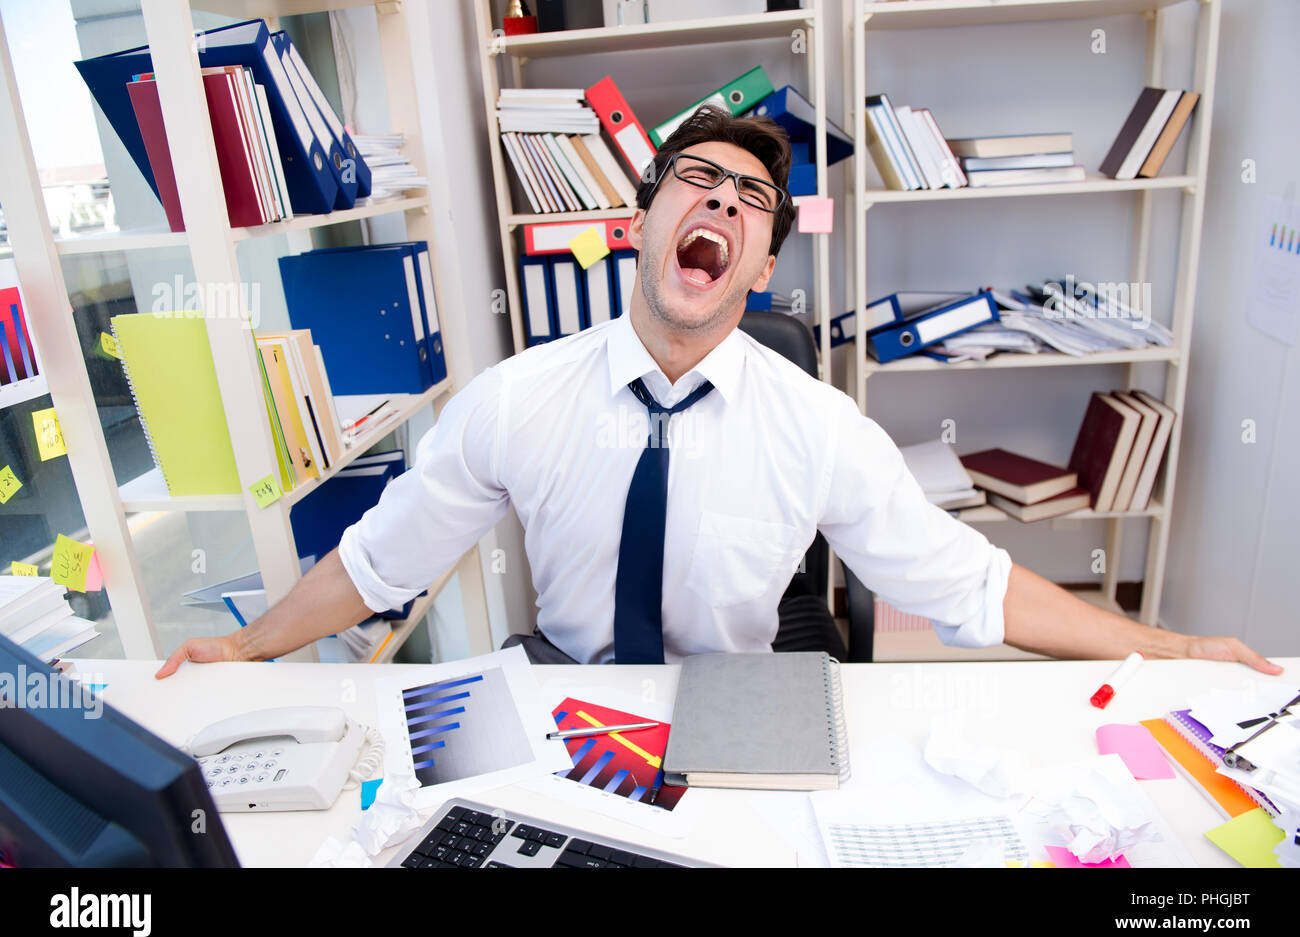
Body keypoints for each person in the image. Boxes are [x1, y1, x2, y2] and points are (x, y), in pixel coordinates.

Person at [158, 107, 1280, 677]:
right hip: (567, 688)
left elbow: (969, 588)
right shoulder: (512, 400)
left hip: (744, 694)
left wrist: (1171, 649)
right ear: (641, 225)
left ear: (759, 266)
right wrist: (245, 647)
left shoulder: (818, 428)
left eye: (751, 199)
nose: (722, 202)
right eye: (693, 181)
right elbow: (377, 563)